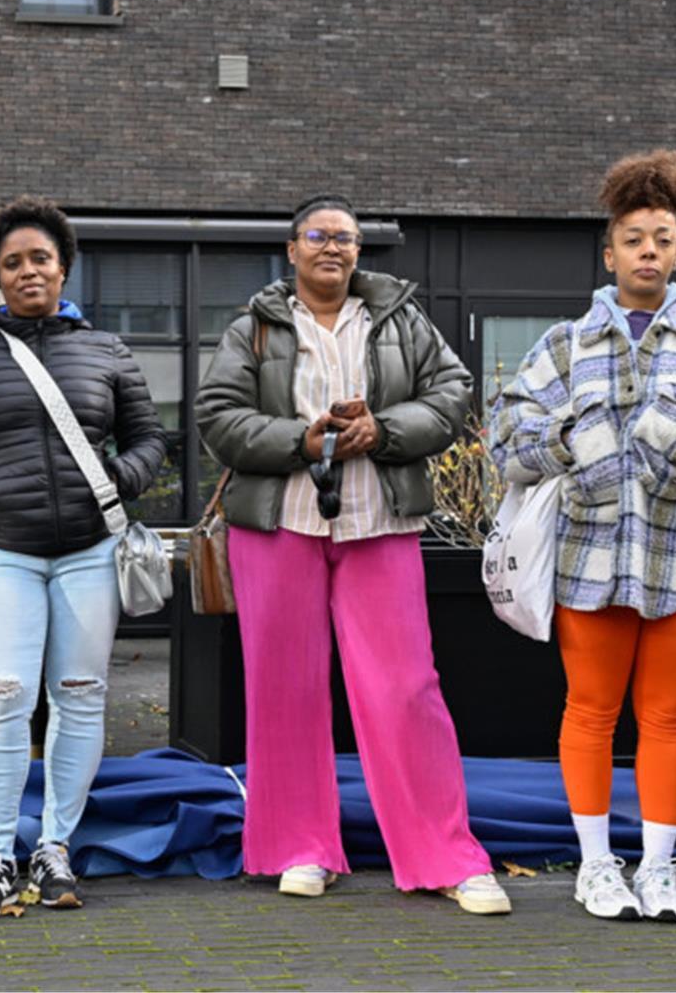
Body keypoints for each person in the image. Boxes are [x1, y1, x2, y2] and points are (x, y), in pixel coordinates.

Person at [491, 150, 676, 923]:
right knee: (588, 711)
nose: (648, 251)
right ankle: (596, 866)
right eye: (634, 238)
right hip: (588, 558)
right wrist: (567, 440)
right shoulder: (564, 345)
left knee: (668, 716)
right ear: (609, 252)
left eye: (662, 237)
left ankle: (659, 869)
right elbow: (506, 440)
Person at [195, 194, 511, 915]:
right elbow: (216, 417)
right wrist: (299, 441)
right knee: (284, 690)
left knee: (405, 689)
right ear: (292, 249)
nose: (333, 247)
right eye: (318, 234)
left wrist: (386, 428)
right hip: (278, 526)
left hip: (380, 523)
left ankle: (446, 856)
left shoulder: (400, 318)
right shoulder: (255, 328)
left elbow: (453, 392)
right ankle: (298, 847)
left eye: (347, 237)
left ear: (360, 252)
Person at [0, 195, 165, 920]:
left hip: (91, 551)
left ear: (63, 268)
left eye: (41, 259)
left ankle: (55, 845)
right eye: (13, 262)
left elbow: (150, 439)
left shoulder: (109, 352)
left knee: (80, 695)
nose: (29, 271)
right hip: (4, 551)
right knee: (3, 697)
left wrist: (123, 478)